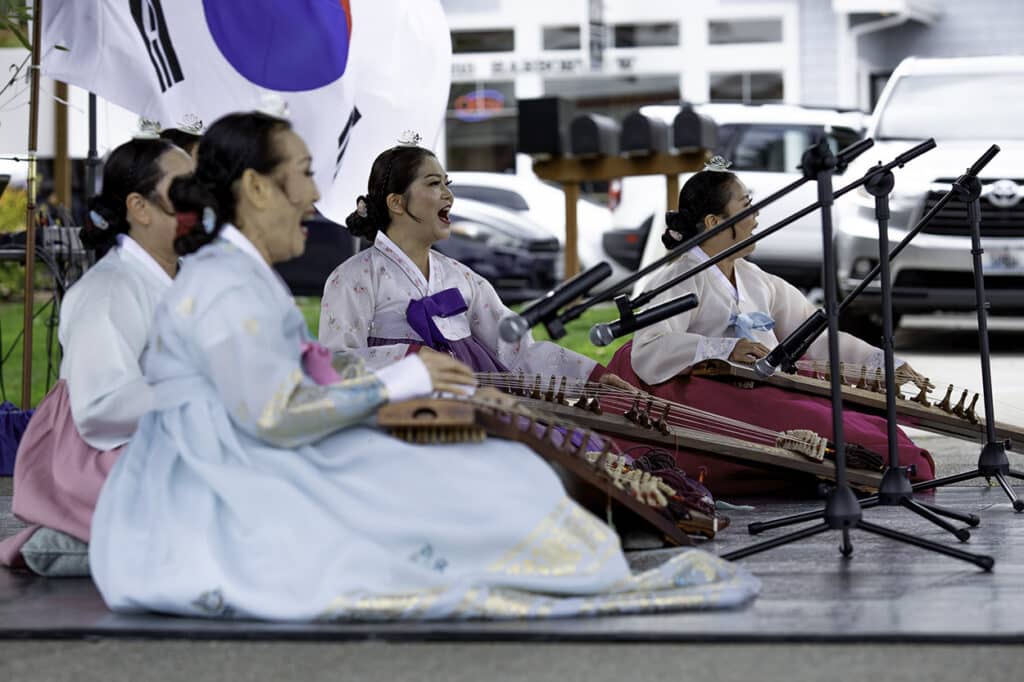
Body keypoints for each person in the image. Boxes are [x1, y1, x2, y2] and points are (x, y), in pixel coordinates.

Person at [87, 112, 757, 621]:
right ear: (259, 188)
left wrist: (584, 375)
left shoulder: (243, 276)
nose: (317, 193)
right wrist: (407, 373)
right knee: (475, 484)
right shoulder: (245, 283)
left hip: (261, 446)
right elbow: (278, 409)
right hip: (222, 476)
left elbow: (512, 347)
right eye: (304, 172)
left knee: (493, 474)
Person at [606, 164, 935, 495]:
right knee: (835, 431)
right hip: (720, 403)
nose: (756, 216)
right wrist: (722, 348)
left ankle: (839, 473)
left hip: (767, 390)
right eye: (746, 206)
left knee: (867, 427)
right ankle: (832, 473)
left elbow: (814, 334)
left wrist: (883, 364)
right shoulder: (678, 279)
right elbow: (649, 348)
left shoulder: (754, 278)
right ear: (713, 223)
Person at [0, 137, 194, 571]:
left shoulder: (189, 281)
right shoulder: (107, 291)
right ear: (140, 208)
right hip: (102, 459)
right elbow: (103, 408)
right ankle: (71, 539)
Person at [318, 142, 631, 390]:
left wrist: (589, 377)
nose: (448, 195)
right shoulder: (352, 278)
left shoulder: (462, 278)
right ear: (396, 202)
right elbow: (335, 363)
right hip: (405, 421)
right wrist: (409, 357)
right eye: (433, 184)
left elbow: (516, 349)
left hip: (480, 411)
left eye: (447, 183)